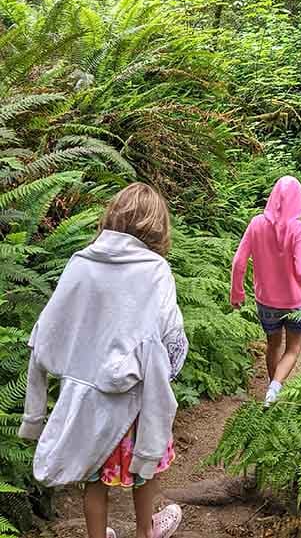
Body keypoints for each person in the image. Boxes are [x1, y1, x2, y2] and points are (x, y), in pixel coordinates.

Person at [19, 183, 188, 538]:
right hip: (136, 401)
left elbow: (48, 329)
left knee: (94, 478)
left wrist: (35, 415)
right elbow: (172, 333)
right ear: (158, 227)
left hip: (85, 401)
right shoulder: (155, 269)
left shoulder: (81, 262)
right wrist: (167, 374)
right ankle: (145, 531)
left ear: (112, 216)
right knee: (145, 472)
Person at [231, 176, 301, 406]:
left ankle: (271, 392)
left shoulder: (256, 224)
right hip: (296, 302)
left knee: (273, 345)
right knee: (293, 348)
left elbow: (238, 262)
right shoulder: (300, 229)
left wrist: (237, 293)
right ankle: (275, 388)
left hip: (266, 301)